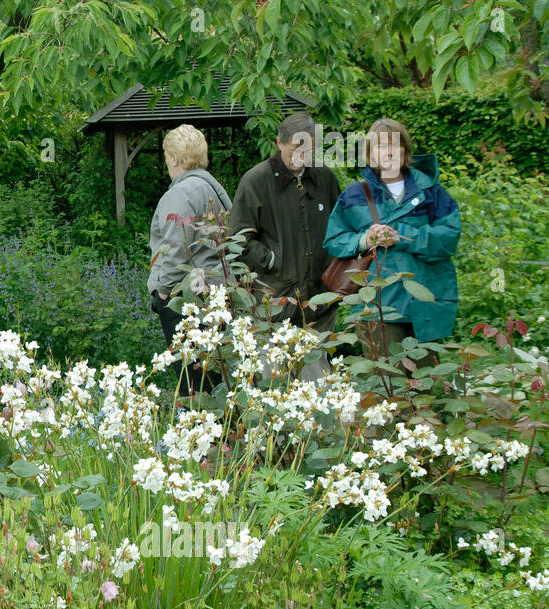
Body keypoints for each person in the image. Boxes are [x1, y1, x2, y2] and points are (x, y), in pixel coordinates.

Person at [322, 118, 460, 362]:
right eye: (380, 147)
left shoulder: (430, 191)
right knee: (386, 386)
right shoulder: (355, 194)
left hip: (424, 302)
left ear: (405, 150)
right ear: (370, 154)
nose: (388, 152)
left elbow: (449, 237)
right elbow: (334, 240)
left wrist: (404, 236)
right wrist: (365, 239)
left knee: (425, 387)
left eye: (394, 145)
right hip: (378, 304)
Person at [229, 110, 342, 337]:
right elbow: (237, 240)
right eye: (295, 149)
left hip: (321, 302)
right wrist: (273, 260)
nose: (302, 156)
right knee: (280, 372)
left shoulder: (324, 177)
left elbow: (340, 226)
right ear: (279, 143)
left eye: (308, 151)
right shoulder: (256, 181)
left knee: (318, 369)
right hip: (275, 302)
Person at [148, 124, 232, 396]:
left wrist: (162, 292)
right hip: (217, 291)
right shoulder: (214, 188)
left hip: (187, 298)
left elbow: (175, 248)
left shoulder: (181, 193)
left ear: (173, 158)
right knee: (216, 374)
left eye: (166, 154)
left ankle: (199, 435)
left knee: (192, 382)